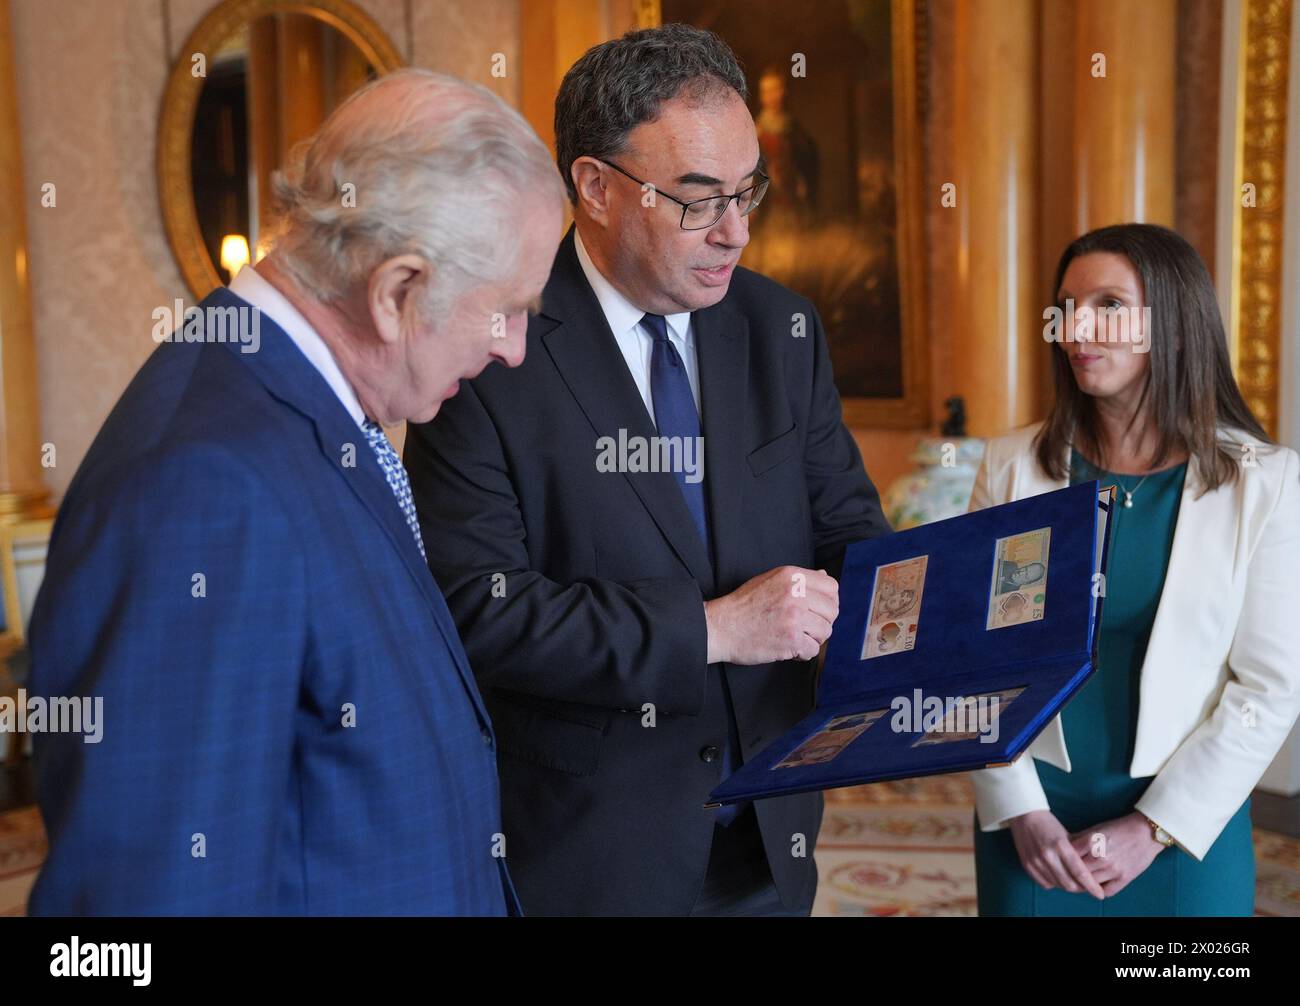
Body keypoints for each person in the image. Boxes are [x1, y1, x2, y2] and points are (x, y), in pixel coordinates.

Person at [27, 69, 566, 915]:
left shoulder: (309, 410)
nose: (515, 349)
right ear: (398, 291)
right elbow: (153, 901)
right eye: (508, 310)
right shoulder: (204, 488)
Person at [404, 24, 891, 916]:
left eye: (750, 192)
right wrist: (710, 631)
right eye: (700, 200)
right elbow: (474, 609)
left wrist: (932, 620)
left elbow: (849, 529)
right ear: (594, 186)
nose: (736, 232)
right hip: (589, 853)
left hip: (770, 836)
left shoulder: (781, 330)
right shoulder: (489, 344)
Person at [969, 223, 1300, 916]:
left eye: (1109, 304)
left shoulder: (1265, 484)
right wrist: (1019, 809)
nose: (1075, 325)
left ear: (1176, 325)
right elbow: (976, 660)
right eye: (1065, 305)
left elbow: (1270, 687)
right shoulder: (1010, 467)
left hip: (1183, 829)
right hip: (1034, 825)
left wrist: (1152, 829)